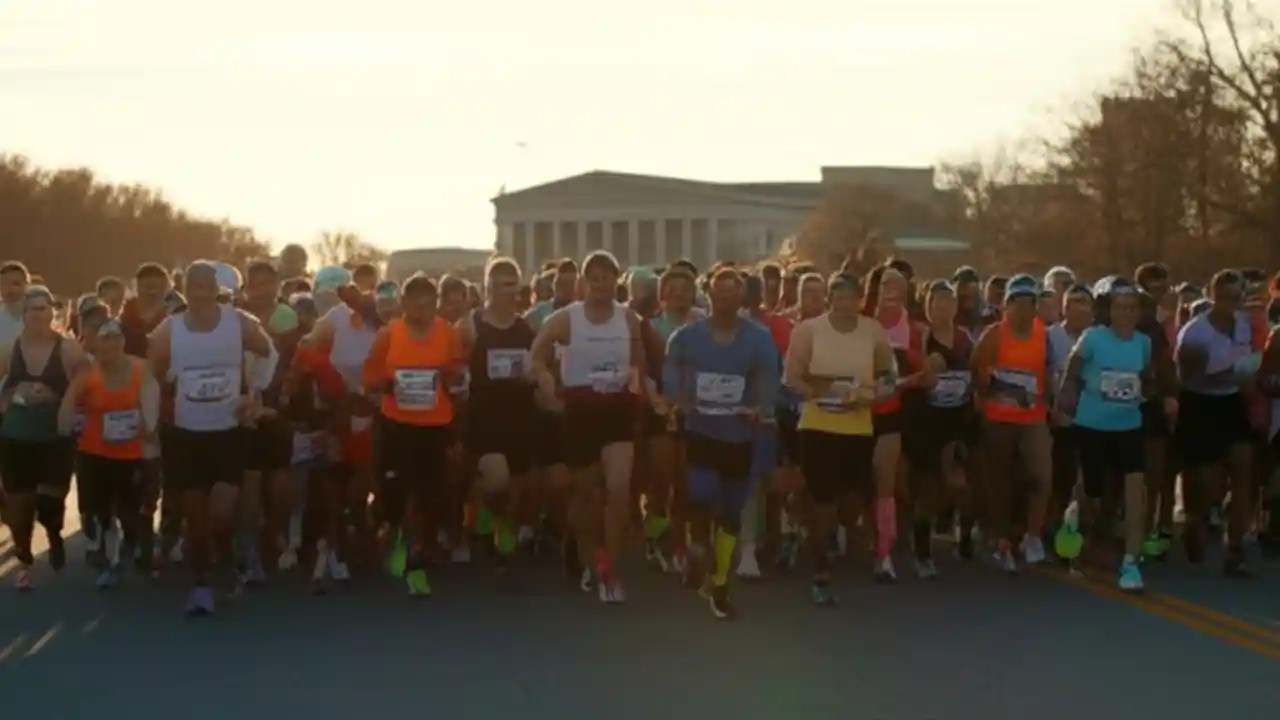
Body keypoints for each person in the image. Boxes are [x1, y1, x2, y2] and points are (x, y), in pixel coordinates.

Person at [148, 261, 272, 614]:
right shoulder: (169, 329)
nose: (200, 294)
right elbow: (153, 373)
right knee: (196, 516)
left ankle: (228, 555)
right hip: (186, 434)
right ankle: (202, 583)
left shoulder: (240, 322)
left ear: (216, 289)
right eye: (193, 287)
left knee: (222, 513)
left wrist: (254, 394)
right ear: (185, 290)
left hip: (228, 432)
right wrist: (163, 402)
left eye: (206, 287)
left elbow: (268, 353)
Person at [663, 267, 778, 619]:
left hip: (740, 433)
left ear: (742, 297)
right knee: (700, 494)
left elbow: (769, 377)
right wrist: (678, 400)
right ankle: (698, 550)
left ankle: (721, 580)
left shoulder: (758, 338)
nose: (725, 298)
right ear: (708, 294)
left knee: (731, 510)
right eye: (719, 292)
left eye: (732, 292)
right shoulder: (687, 337)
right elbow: (672, 374)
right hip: (701, 429)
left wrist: (761, 406)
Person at [531, 250, 645, 603]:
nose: (600, 284)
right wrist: (546, 381)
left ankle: (609, 566)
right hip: (580, 411)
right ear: (584, 282)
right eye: (593, 278)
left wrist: (638, 393)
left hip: (616, 410)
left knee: (618, 486)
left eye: (606, 278)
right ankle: (584, 549)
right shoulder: (567, 318)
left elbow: (638, 364)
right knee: (587, 496)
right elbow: (536, 353)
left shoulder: (628, 319)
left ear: (615, 281)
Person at [785, 272, 894, 604]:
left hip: (858, 428)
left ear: (860, 300)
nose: (845, 305)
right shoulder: (808, 330)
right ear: (829, 299)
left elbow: (888, 374)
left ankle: (823, 529)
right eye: (839, 298)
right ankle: (820, 571)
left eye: (851, 298)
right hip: (818, 426)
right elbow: (792, 377)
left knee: (852, 504)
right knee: (824, 502)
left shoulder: (873, 331)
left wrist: (874, 396)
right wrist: (819, 392)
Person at [362, 273, 465, 596]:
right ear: (403, 303)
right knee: (394, 493)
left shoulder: (447, 333)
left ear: (435, 303)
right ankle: (394, 534)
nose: (421, 304)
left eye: (427, 299)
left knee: (428, 495)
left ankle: (418, 556)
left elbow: (458, 374)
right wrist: (388, 385)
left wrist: (448, 377)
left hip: (435, 425)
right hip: (396, 424)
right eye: (414, 298)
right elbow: (369, 378)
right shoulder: (389, 334)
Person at [1056, 277, 1157, 591]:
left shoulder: (1143, 343)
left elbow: (1145, 377)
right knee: (1092, 494)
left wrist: (1146, 392)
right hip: (1093, 425)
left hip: (1129, 426)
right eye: (1120, 308)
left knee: (1135, 493)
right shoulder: (1093, 338)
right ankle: (1075, 518)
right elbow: (1073, 370)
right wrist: (1066, 397)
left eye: (1131, 308)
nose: (1126, 314)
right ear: (1109, 311)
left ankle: (1131, 563)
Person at [58, 318, 160, 588]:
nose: (110, 345)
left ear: (123, 342)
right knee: (100, 511)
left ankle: (132, 548)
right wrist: (64, 428)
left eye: (116, 338)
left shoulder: (140, 368)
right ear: (95, 344)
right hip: (94, 452)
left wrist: (148, 426)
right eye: (104, 339)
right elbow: (69, 403)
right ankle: (110, 561)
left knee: (130, 511)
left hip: (131, 453)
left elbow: (151, 402)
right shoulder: (88, 373)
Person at [1, 285, 87, 589]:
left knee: (51, 501)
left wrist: (58, 396)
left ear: (53, 311)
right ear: (23, 314)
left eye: (43, 308)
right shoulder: (10, 348)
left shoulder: (68, 349)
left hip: (54, 436)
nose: (37, 315)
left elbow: (85, 382)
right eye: (31, 309)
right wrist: (10, 397)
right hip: (16, 434)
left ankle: (53, 533)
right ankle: (25, 560)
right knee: (19, 504)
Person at [458, 257, 537, 584]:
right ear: (489, 287)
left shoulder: (525, 328)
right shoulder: (472, 324)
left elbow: (536, 367)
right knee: (497, 478)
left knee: (514, 490)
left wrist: (534, 378)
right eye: (503, 285)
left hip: (518, 415)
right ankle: (476, 507)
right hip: (484, 417)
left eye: (513, 285)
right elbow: (455, 366)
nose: (509, 292)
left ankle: (502, 548)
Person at [1174, 269, 1258, 575]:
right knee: (1208, 485)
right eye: (1226, 298)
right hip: (1200, 405)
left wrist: (1248, 376)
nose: (1233, 304)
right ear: (1213, 296)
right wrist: (1229, 374)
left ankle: (1235, 548)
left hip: (1231, 404)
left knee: (1244, 471)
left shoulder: (1243, 324)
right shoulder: (1195, 333)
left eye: (1238, 298)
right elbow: (1187, 378)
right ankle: (1194, 520)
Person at [972, 273, 1053, 573]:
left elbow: (1048, 372)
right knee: (1000, 480)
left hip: (1032, 416)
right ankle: (1001, 540)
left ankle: (1032, 536)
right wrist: (1002, 389)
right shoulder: (995, 335)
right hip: (999, 417)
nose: (1023, 308)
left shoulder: (1043, 333)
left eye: (1029, 302)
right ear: (1007, 304)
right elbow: (976, 373)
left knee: (1041, 474)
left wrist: (1049, 399)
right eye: (1017, 302)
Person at [905, 280, 975, 576]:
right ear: (928, 306)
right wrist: (925, 364)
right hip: (927, 419)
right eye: (937, 303)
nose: (943, 308)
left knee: (963, 482)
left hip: (958, 417)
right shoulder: (921, 336)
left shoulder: (965, 338)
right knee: (929, 487)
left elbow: (976, 372)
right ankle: (922, 550)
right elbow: (909, 372)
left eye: (949, 302)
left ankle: (964, 536)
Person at [0, 260, 28, 349]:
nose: (9, 289)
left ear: (27, 285)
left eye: (15, 284)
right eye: (3, 284)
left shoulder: (40, 316)